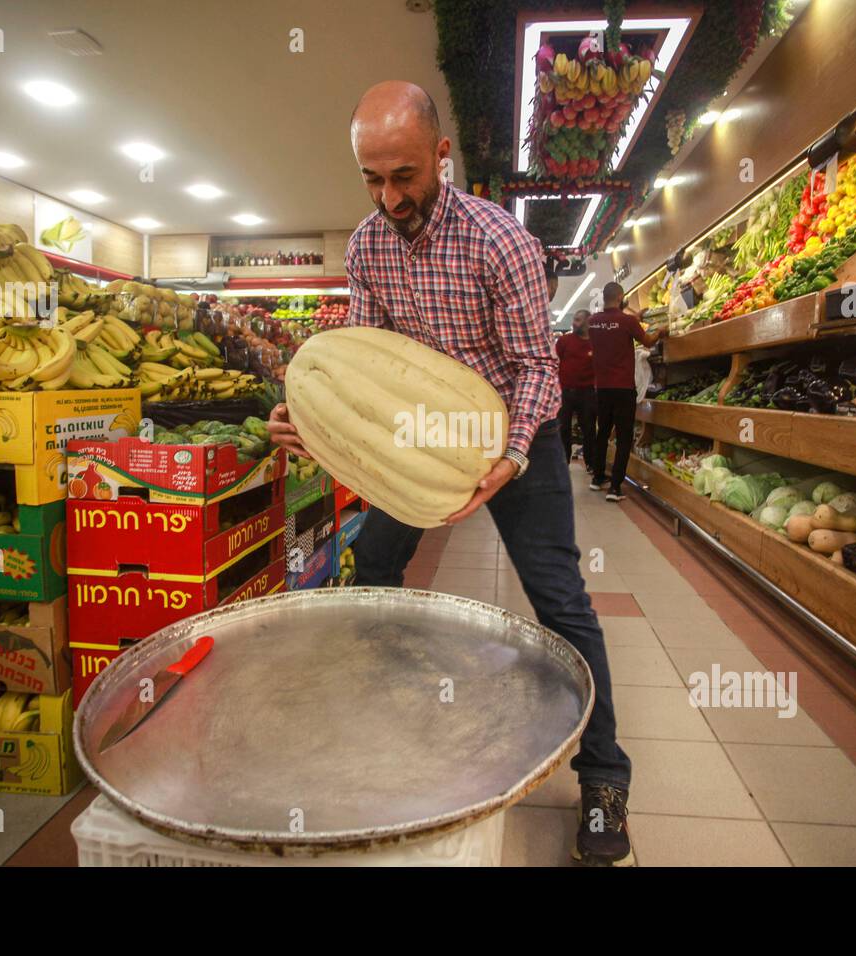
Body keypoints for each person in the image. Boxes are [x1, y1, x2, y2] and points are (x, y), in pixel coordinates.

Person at [266, 81, 634, 866]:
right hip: (418, 442)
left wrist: (505, 459)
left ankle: (604, 777)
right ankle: (397, 719)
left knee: (562, 602)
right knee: (376, 563)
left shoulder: (501, 241)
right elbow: (358, 371)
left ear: (442, 155)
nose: (388, 196)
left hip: (517, 439)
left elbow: (539, 368)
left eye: (403, 176)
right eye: (372, 178)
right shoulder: (367, 246)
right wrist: (310, 423)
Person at [588, 283, 660, 502]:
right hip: (623, 388)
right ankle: (616, 487)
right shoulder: (628, 321)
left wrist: (634, 318)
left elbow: (612, 329)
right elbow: (647, 341)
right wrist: (661, 331)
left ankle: (598, 477)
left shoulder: (594, 322)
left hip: (602, 388)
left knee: (603, 433)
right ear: (620, 297)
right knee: (624, 436)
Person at [556, 309, 597, 471]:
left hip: (587, 392)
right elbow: (554, 363)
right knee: (563, 429)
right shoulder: (564, 341)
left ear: (588, 322)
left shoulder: (596, 342)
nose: (574, 323)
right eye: (574, 319)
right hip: (565, 392)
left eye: (578, 320)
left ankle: (591, 463)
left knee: (588, 429)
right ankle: (563, 463)